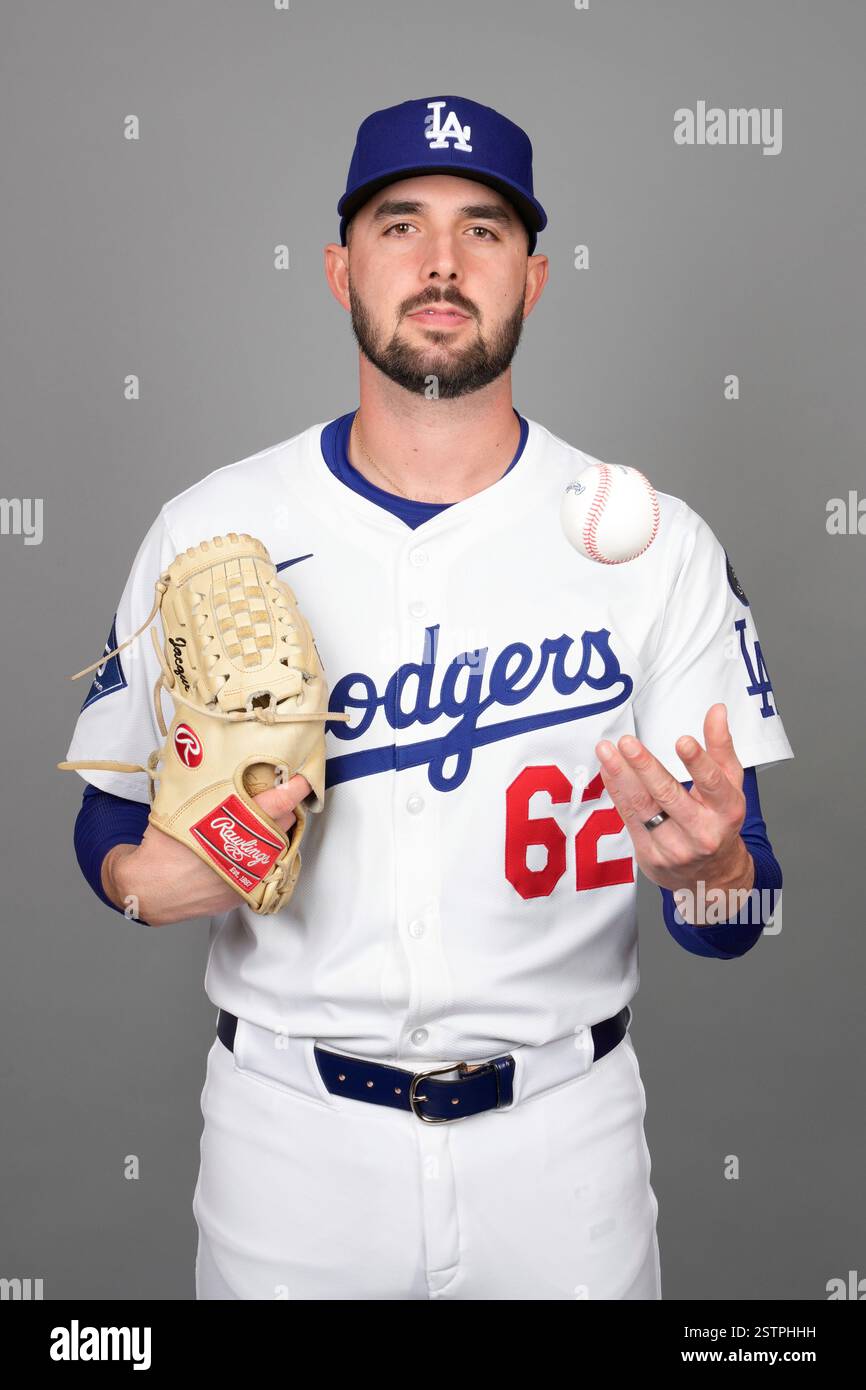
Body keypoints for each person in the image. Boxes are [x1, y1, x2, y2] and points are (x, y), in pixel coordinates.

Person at [63, 95, 793, 1300]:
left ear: (535, 278)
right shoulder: (210, 526)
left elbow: (741, 899)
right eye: (401, 225)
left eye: (483, 229)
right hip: (287, 1145)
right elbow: (104, 812)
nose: (442, 262)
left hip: (563, 1144)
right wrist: (145, 885)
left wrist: (713, 879)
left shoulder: (658, 546)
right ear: (341, 267)